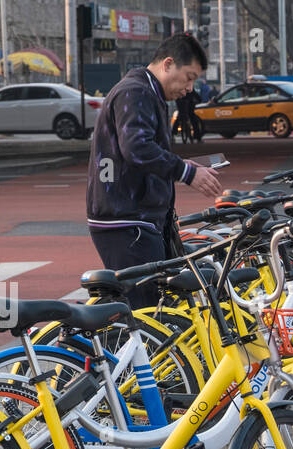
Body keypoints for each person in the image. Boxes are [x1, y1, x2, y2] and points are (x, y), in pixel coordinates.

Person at [86, 33, 221, 312]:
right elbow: (136, 148)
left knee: (150, 310)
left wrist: (181, 165)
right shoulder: (136, 92)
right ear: (168, 64)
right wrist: (185, 172)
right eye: (189, 77)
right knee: (147, 314)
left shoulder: (147, 91)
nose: (190, 88)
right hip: (126, 221)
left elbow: (142, 149)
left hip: (135, 218)